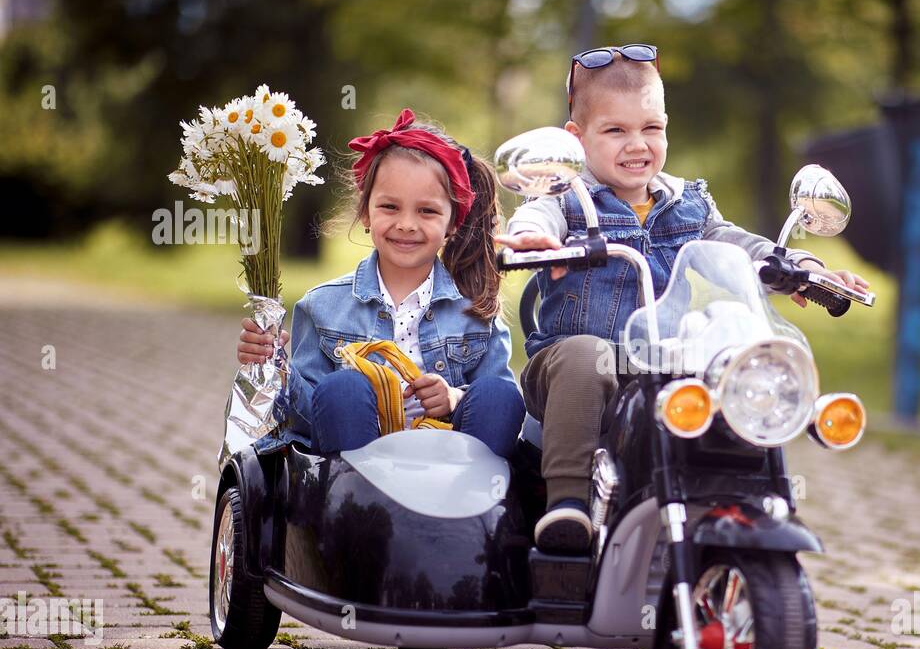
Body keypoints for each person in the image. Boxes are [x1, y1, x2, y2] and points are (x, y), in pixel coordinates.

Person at [493, 45, 869, 551]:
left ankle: (754, 501)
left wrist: (798, 267)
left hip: (665, 376)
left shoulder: (686, 202)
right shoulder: (566, 197)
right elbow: (535, 217)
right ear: (576, 141)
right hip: (574, 377)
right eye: (615, 131)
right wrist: (534, 240)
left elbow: (734, 241)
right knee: (588, 355)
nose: (637, 145)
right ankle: (568, 506)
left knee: (731, 334)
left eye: (651, 128)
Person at [238, 108, 525, 458]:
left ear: (452, 222)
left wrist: (453, 398)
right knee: (342, 387)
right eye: (390, 206)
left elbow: (500, 409)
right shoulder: (322, 306)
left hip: (450, 473)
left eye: (427, 211)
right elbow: (305, 415)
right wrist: (273, 366)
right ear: (365, 213)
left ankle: (480, 505)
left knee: (500, 394)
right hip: (355, 475)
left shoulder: (477, 311)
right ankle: (361, 507)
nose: (406, 224)